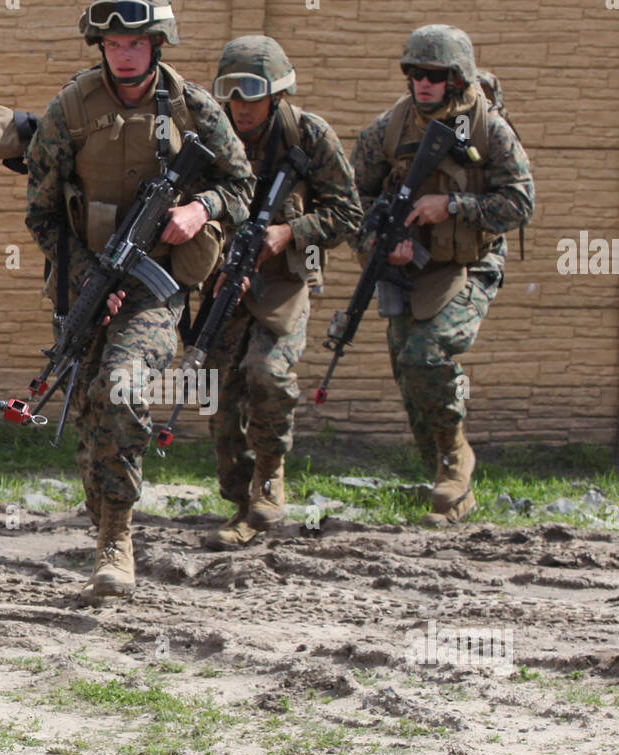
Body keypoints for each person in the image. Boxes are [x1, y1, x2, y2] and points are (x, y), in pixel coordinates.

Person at [25, 1, 254, 597]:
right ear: (100, 47)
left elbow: (241, 185)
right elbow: (42, 214)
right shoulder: (70, 109)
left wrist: (202, 207)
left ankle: (116, 540)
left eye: (136, 43)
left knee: (122, 388)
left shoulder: (192, 108)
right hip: (87, 284)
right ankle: (102, 519)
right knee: (91, 409)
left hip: (158, 287)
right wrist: (85, 287)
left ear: (157, 44)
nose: (124, 54)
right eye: (113, 44)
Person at [351, 24, 532, 525]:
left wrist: (450, 205)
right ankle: (450, 488)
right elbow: (350, 204)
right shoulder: (389, 129)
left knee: (427, 355)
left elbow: (521, 202)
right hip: (411, 267)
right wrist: (385, 245)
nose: (422, 83)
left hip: (472, 262)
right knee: (410, 377)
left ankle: (456, 461)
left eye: (434, 75)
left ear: (456, 79)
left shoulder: (487, 128)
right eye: (414, 73)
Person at [202, 36, 362, 549]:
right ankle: (239, 497)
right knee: (216, 393)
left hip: (285, 282)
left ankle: (267, 488)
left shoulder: (309, 136)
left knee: (268, 376)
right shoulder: (207, 133)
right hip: (223, 278)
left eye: (253, 95)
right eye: (232, 95)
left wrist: (289, 233)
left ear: (276, 94)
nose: (241, 108)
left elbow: (347, 214)